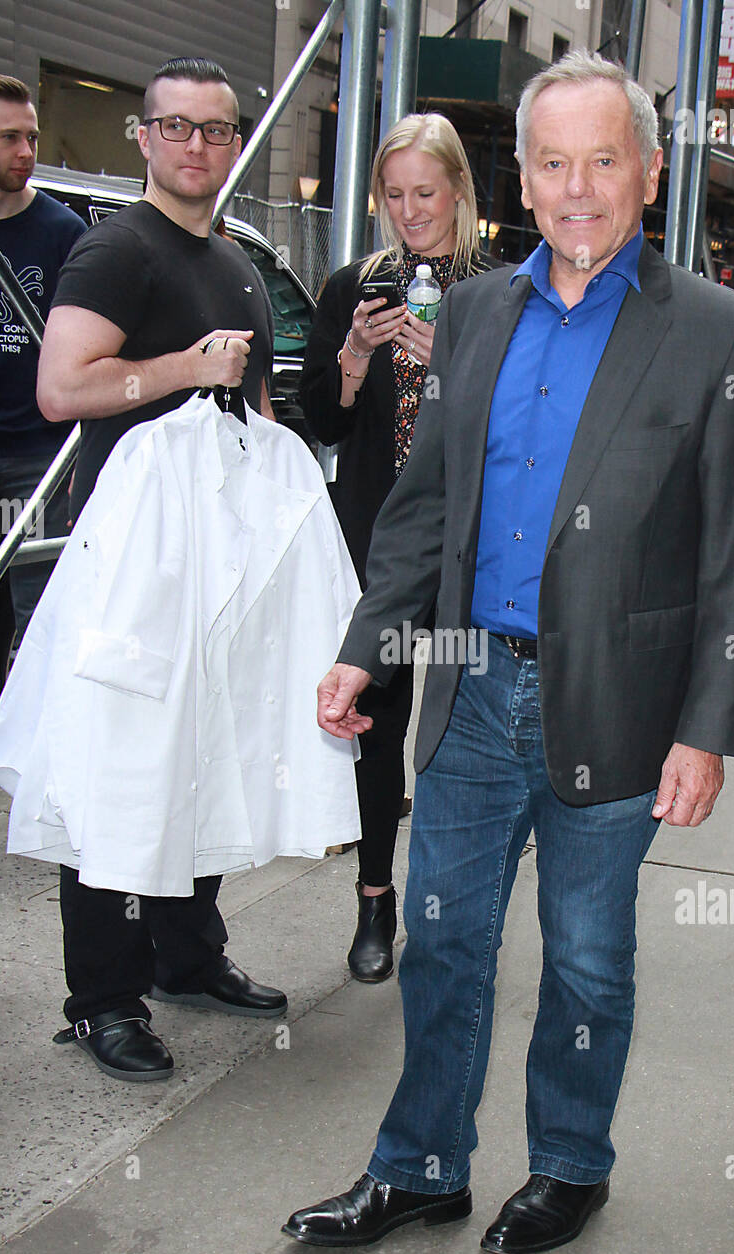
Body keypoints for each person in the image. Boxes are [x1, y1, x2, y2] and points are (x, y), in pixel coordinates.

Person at [282, 49, 734, 1254]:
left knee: (588, 960)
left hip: (613, 702)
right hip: (469, 685)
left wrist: (704, 728)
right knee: (442, 938)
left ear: (648, 173)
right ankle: (422, 1166)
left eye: (601, 160)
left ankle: (568, 1163)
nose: (573, 188)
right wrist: (366, 646)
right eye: (549, 162)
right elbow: (424, 506)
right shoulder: (479, 311)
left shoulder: (718, 333)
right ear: (521, 176)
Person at [34, 56, 287, 1083]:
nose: (195, 145)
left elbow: (257, 412)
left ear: (233, 142)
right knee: (118, 772)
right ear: (143, 136)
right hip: (132, 567)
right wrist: (185, 367)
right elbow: (62, 386)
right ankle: (102, 998)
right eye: (175, 127)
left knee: (202, 749)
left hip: (216, 564)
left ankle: (188, 954)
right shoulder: (116, 249)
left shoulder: (229, 258)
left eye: (215, 130)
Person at [299, 113, 495, 984]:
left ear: (458, 189)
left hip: (471, 549)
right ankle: (373, 899)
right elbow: (322, 421)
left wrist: (450, 371)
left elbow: (521, 427)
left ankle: (447, 906)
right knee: (374, 725)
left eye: (426, 191)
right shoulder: (356, 285)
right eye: (394, 194)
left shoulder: (500, 289)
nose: (411, 210)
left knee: (460, 731)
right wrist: (350, 358)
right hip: (375, 543)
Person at [0, 75, 85, 638]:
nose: (26, 152)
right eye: (9, 137)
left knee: (37, 626)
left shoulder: (63, 232)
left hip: (40, 461)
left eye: (31, 136)